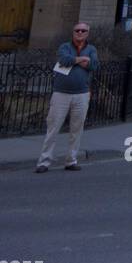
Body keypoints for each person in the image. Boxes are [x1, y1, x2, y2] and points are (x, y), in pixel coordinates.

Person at [35, 23, 99, 172]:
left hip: (82, 94)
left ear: (87, 33)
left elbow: (95, 65)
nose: (80, 33)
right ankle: (44, 161)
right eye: (77, 30)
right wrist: (82, 59)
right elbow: (63, 60)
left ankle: (71, 160)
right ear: (73, 32)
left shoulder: (92, 49)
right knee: (53, 128)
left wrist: (77, 60)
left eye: (83, 31)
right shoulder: (64, 46)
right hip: (61, 94)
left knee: (76, 128)